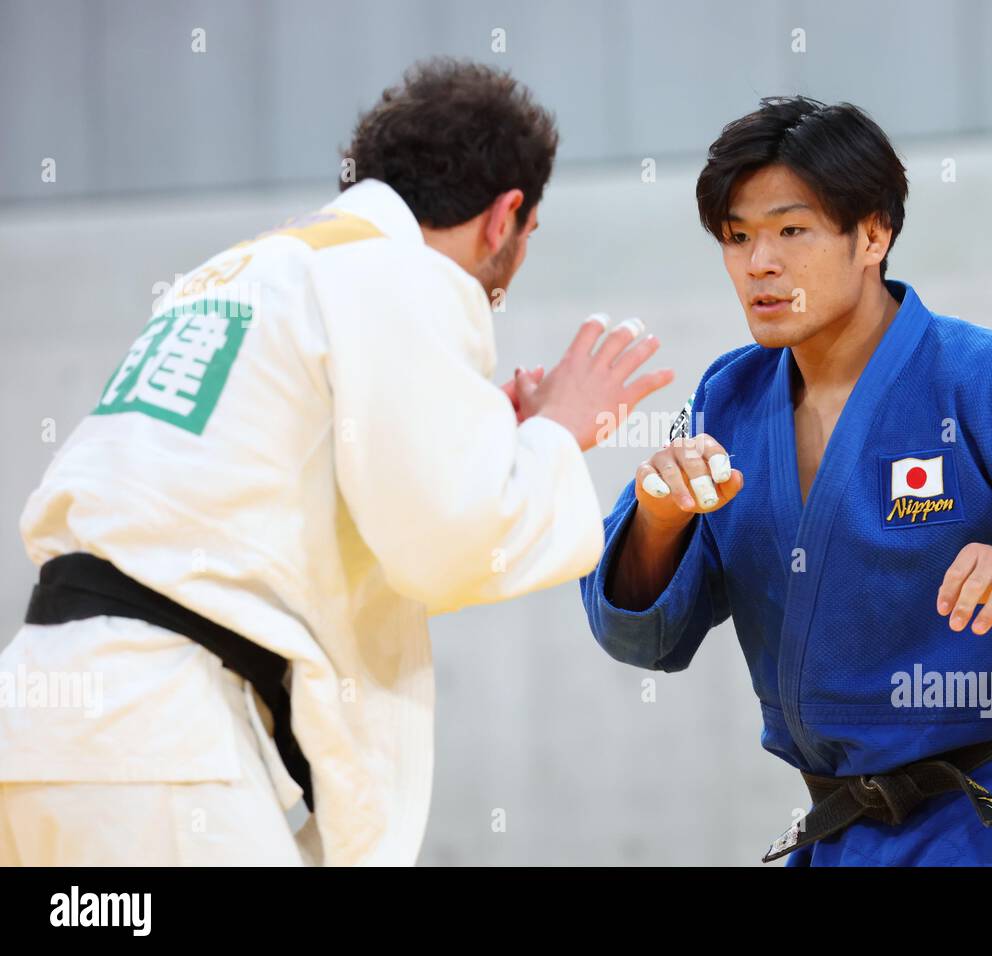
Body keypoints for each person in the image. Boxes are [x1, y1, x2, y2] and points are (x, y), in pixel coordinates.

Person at [0, 58, 672, 866]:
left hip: (46, 718)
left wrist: (485, 428)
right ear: (506, 217)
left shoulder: (252, 269)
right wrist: (561, 430)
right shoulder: (401, 276)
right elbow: (445, 543)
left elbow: (303, 491)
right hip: (154, 740)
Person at [579, 96, 992, 866]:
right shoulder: (726, 403)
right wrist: (660, 519)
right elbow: (639, 631)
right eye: (737, 238)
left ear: (874, 233)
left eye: (791, 230)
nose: (759, 264)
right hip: (838, 831)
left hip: (987, 830)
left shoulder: (987, 382)